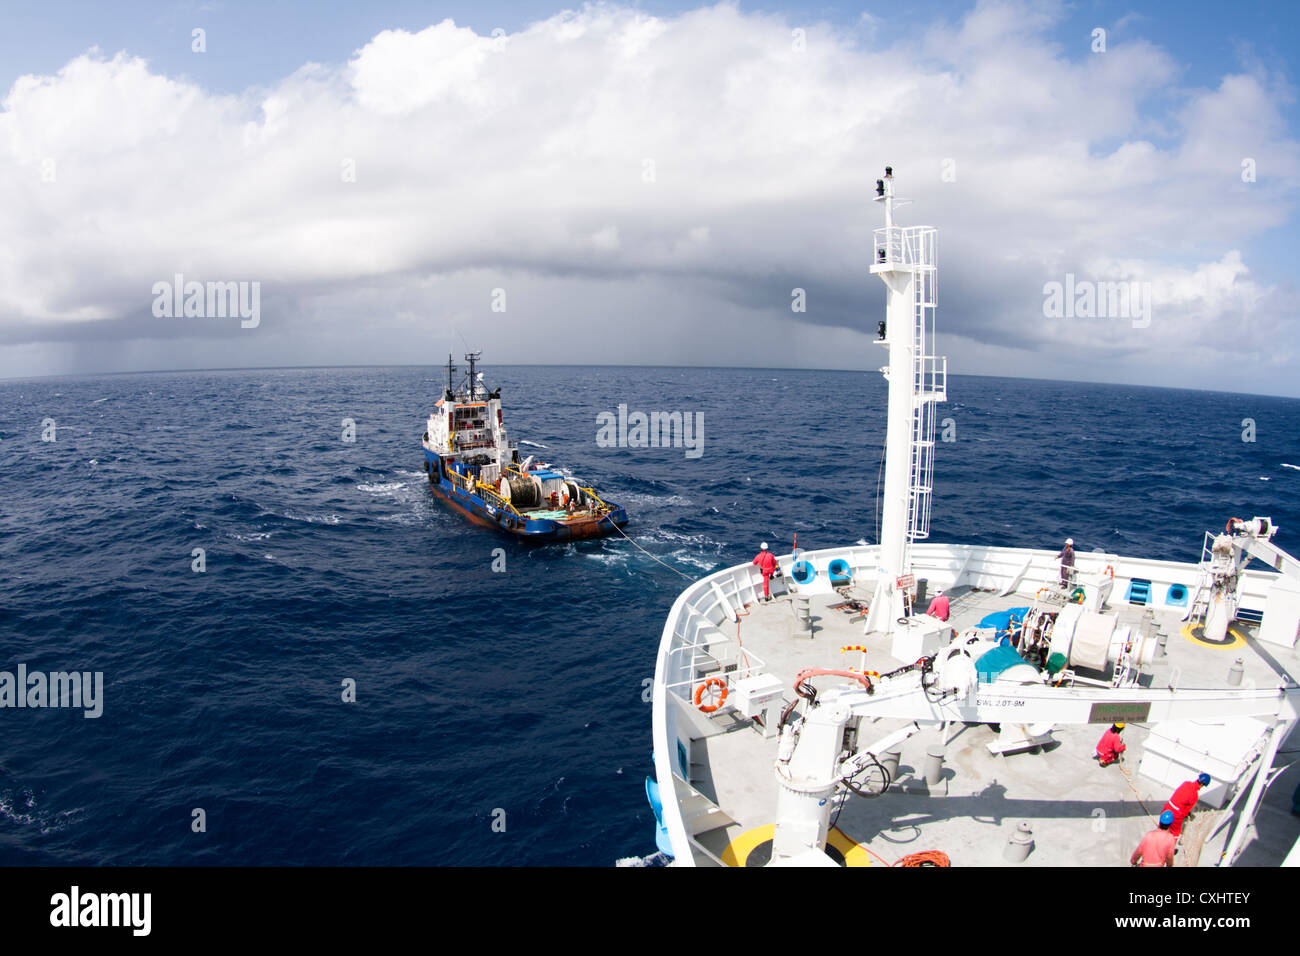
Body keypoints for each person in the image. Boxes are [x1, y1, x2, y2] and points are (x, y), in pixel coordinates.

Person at [1163, 773, 1210, 838]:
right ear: (1202, 784)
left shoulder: (1186, 783)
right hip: (1176, 814)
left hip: (1167, 807)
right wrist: (1185, 816)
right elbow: (1184, 812)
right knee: (1175, 832)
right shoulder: (1194, 795)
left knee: (1162, 827)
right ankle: (1169, 847)